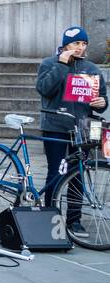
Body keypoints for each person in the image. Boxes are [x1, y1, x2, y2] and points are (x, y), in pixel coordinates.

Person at [35, 26, 107, 240]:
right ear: (65, 44)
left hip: (81, 127)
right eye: (76, 43)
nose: (80, 48)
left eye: (84, 44)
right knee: (56, 172)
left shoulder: (92, 68)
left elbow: (100, 99)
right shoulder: (50, 63)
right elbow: (45, 89)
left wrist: (102, 103)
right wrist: (62, 64)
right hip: (55, 125)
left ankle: (74, 220)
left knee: (78, 174)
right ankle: (50, 217)